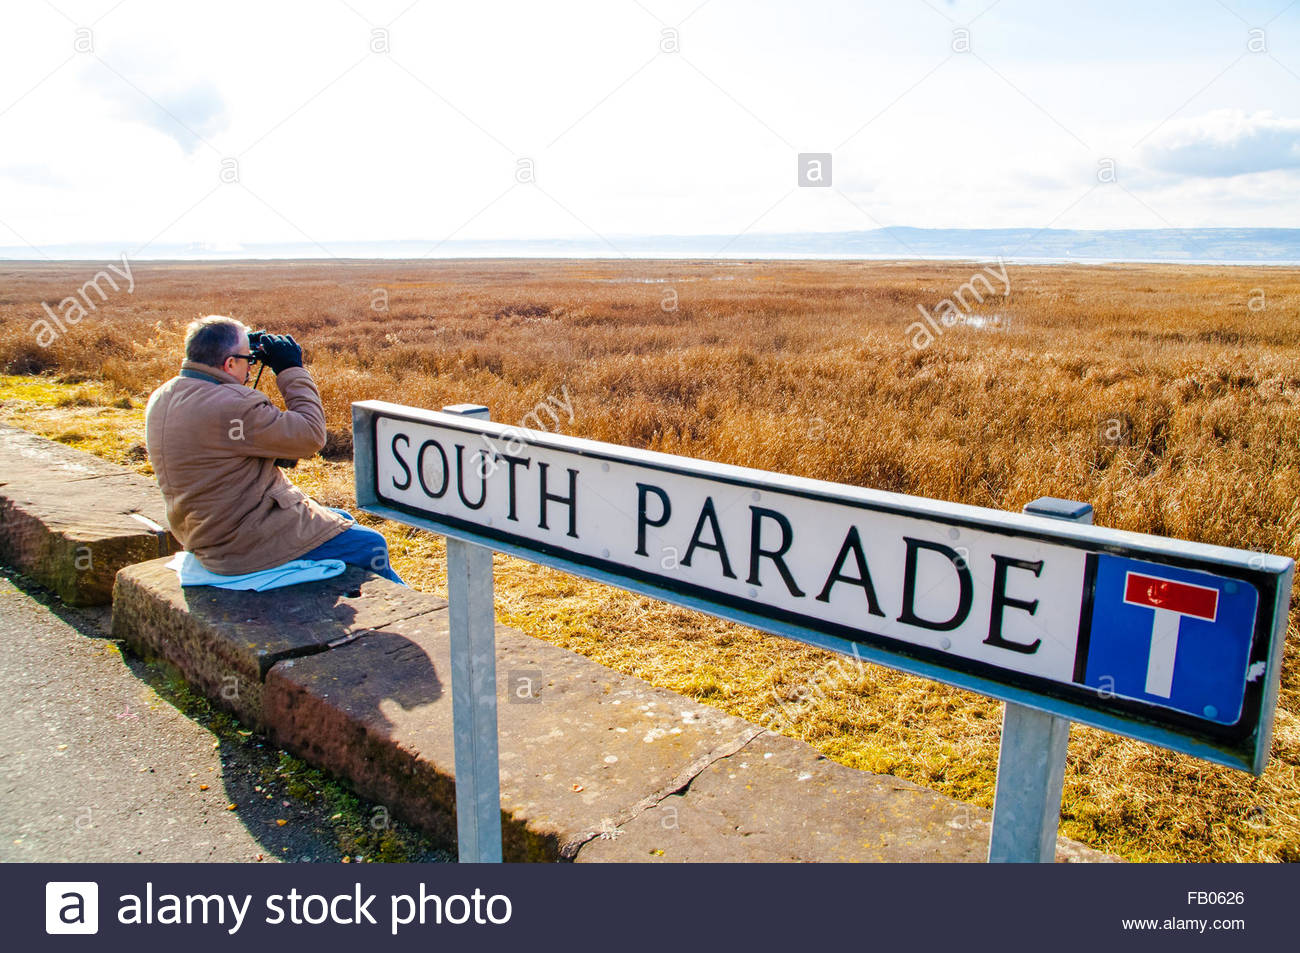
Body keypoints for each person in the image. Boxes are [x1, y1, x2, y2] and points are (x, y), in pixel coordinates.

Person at [144, 315, 405, 585]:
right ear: (229, 363)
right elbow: (311, 436)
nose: (250, 369)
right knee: (370, 544)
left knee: (342, 518)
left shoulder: (164, 395)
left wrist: (244, 347)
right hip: (242, 545)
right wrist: (290, 368)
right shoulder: (234, 405)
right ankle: (408, 615)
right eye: (248, 359)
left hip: (203, 532)